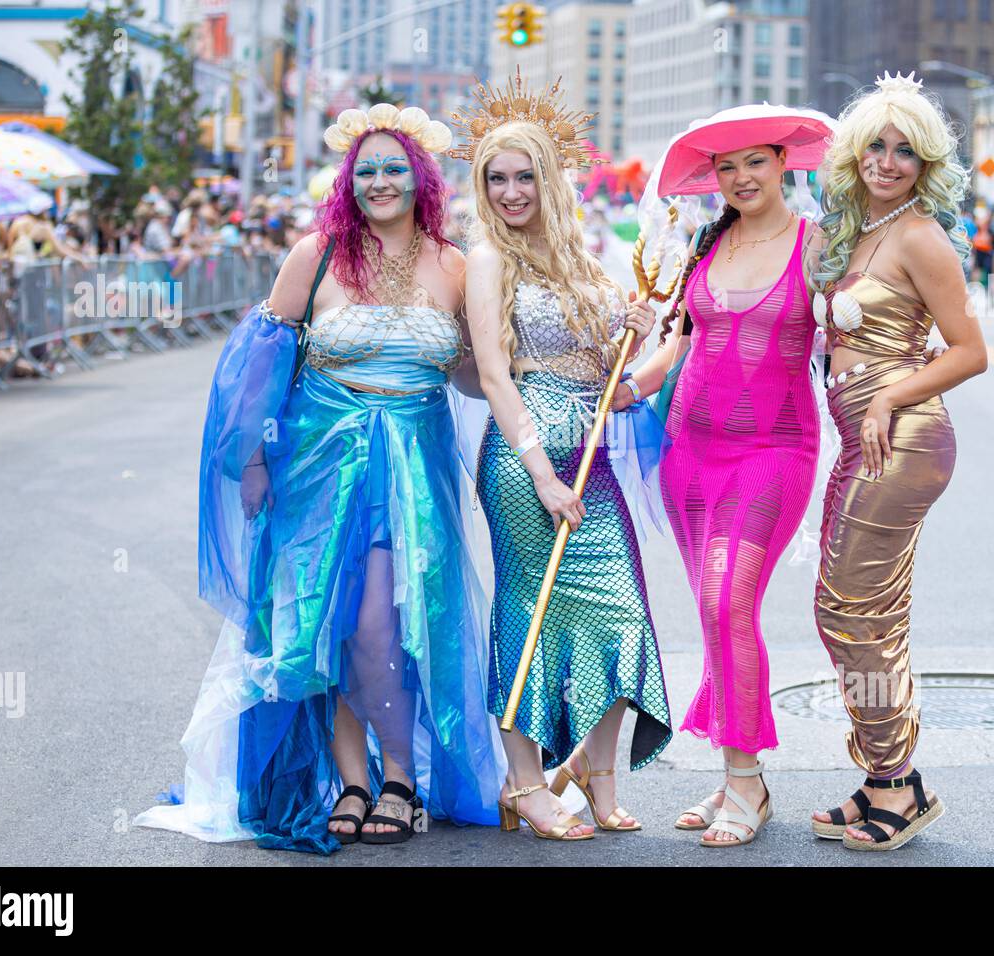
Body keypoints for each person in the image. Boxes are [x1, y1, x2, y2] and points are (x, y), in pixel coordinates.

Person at [133, 101, 505, 853]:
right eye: (364, 169)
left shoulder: (454, 264)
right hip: (317, 466)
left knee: (387, 624)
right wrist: (255, 460)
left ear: (421, 176)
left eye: (394, 167)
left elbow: (472, 375)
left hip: (414, 468)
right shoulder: (318, 255)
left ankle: (399, 774)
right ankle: (357, 782)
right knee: (326, 626)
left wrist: (544, 368)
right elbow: (262, 364)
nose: (379, 181)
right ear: (348, 180)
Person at [454, 74, 672, 841]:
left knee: (622, 610)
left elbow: (605, 370)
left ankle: (592, 771)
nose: (512, 192)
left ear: (550, 177)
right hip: (526, 453)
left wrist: (635, 332)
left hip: (593, 449)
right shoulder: (487, 258)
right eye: (496, 178)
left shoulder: (582, 257)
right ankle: (523, 783)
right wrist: (541, 469)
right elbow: (491, 373)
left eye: (524, 175)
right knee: (529, 608)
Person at [623, 105, 835, 846]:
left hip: (773, 452)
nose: (740, 177)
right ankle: (734, 778)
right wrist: (624, 390)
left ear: (785, 163)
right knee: (717, 615)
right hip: (687, 451)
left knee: (724, 600)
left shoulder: (819, 249)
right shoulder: (703, 248)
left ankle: (746, 783)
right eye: (726, 165)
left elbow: (853, 338)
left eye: (755, 161)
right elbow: (672, 351)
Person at [807, 71, 987, 851]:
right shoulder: (854, 230)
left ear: (925, 164)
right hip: (864, 436)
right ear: (853, 154)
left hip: (903, 436)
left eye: (904, 151)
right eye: (875, 146)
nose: (886, 160)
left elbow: (971, 352)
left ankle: (899, 784)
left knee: (854, 607)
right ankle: (885, 774)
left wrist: (886, 399)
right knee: (844, 606)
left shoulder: (919, 236)